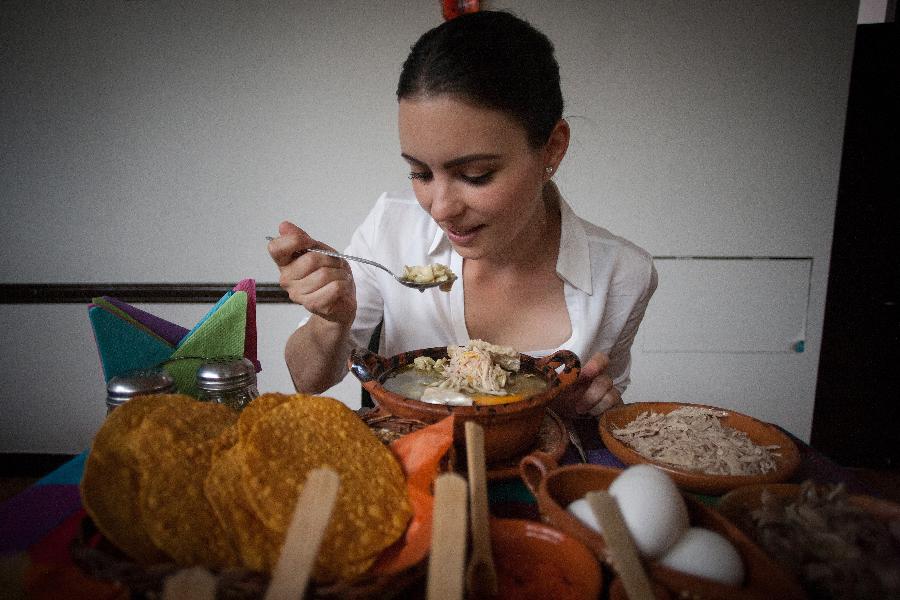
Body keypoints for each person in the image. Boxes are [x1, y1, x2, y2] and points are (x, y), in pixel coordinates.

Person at [268, 10, 657, 418]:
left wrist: (586, 409)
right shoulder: (391, 228)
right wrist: (332, 321)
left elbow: (601, 418)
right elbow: (306, 378)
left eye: (475, 175)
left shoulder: (623, 275)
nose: (440, 208)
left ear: (552, 149)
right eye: (419, 172)